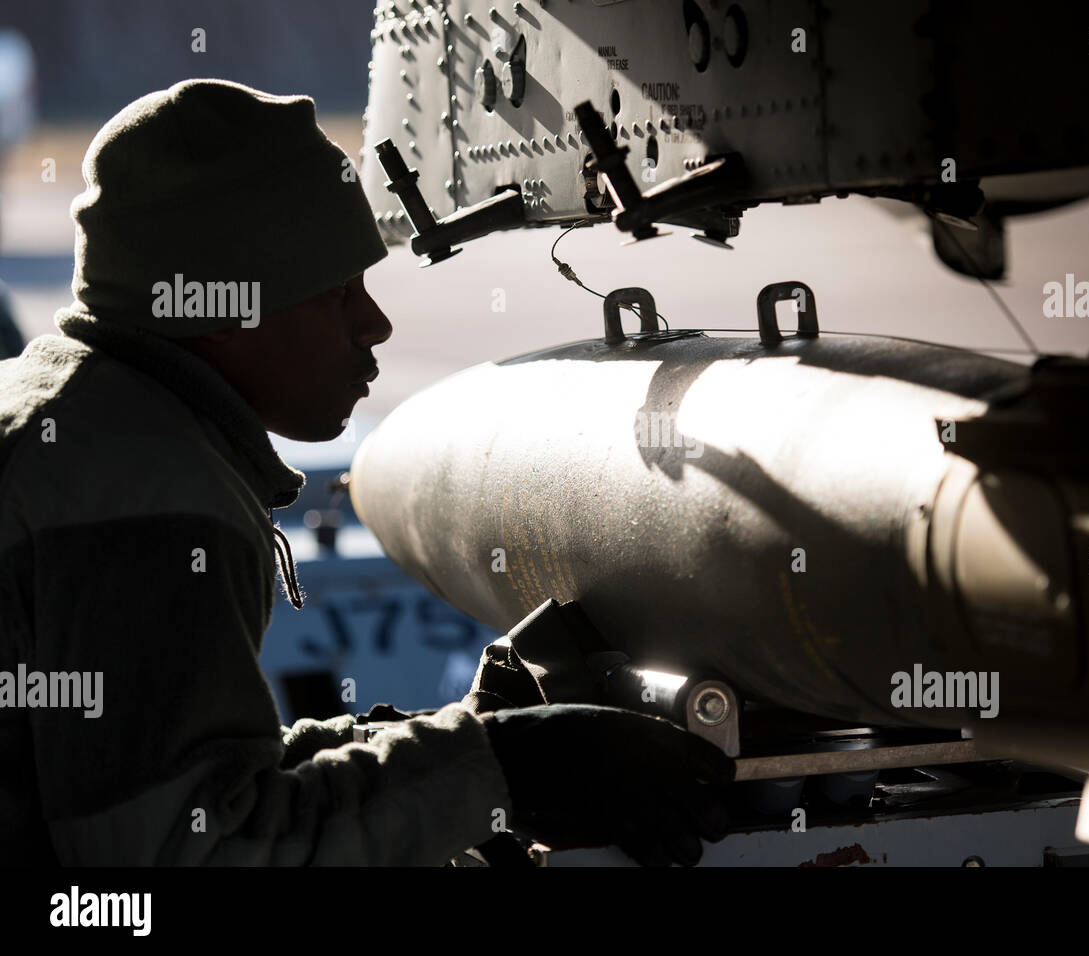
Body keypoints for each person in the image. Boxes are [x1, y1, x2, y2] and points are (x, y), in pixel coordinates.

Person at [0, 79, 731, 866]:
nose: (375, 325)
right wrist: (503, 773)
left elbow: (162, 774)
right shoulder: (145, 495)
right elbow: (190, 855)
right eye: (337, 292)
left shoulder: (71, 422)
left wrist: (441, 745)